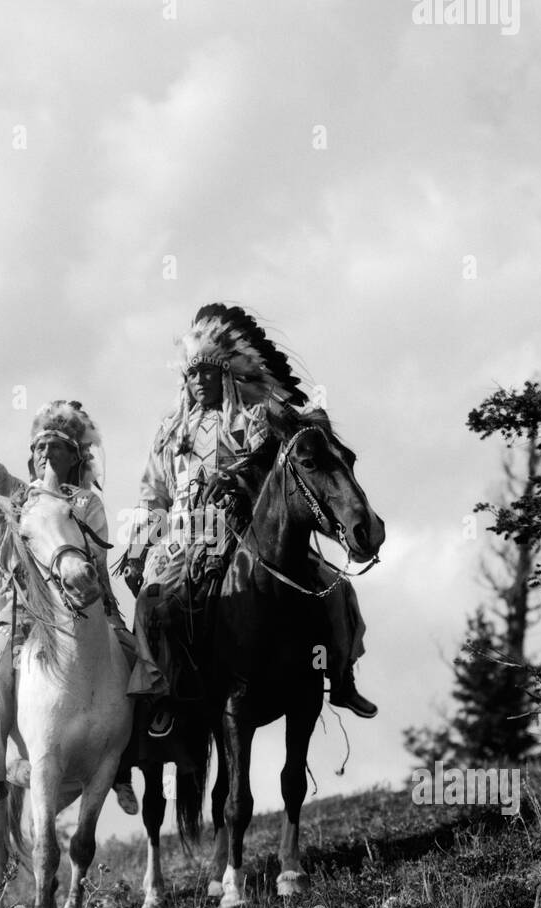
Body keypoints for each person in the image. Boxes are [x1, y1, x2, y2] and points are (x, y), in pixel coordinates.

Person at [122, 304, 377, 734]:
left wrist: (236, 479)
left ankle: (342, 677)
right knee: (151, 603)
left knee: (339, 589)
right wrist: (136, 548)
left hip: (247, 530)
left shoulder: (251, 421)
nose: (199, 382)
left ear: (226, 376)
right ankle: (164, 691)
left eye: (208, 373)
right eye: (192, 374)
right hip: (183, 540)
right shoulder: (169, 433)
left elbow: (275, 471)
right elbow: (153, 494)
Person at [0, 380, 139, 816]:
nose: (45, 454)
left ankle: (122, 763)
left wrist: (109, 612)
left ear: (75, 458)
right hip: (23, 610)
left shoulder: (86, 503)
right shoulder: (17, 496)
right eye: (38, 448)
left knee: (136, 662)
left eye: (56, 447)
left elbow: (96, 564)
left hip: (84, 601)